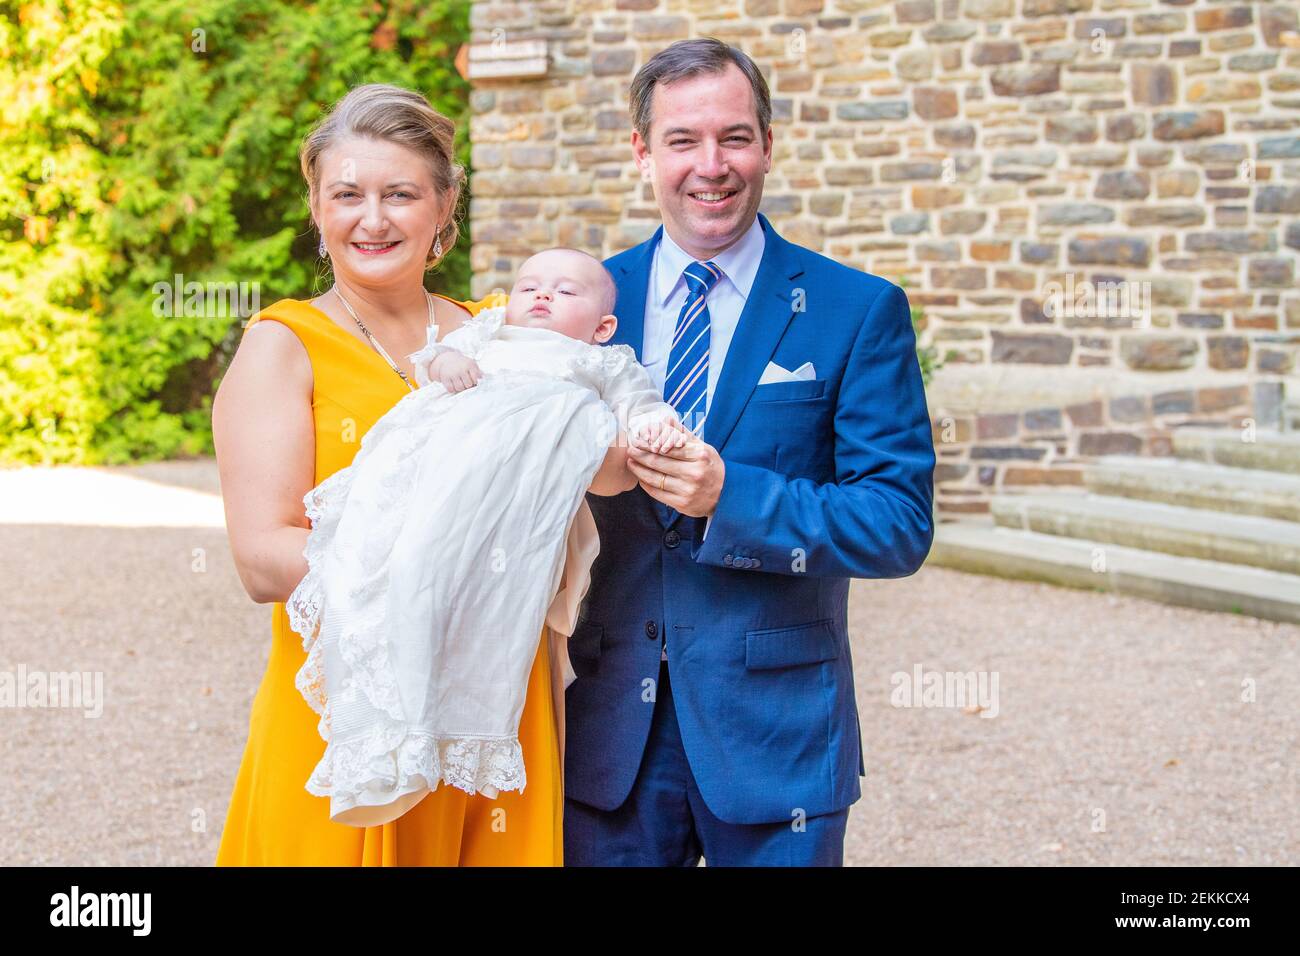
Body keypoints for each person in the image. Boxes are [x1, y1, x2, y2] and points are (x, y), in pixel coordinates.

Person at [212, 83, 627, 865]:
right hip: (353, 703)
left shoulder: (506, 332)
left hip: (496, 700)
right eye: (348, 195)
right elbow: (262, 560)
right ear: (317, 208)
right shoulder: (284, 344)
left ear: (443, 207)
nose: (373, 219)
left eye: (400, 194)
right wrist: (436, 565)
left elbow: (602, 470)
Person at [562, 38, 937, 866]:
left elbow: (898, 523)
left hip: (779, 736)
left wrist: (731, 496)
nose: (712, 165)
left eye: (734, 137)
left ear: (768, 142)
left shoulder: (855, 308)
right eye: (682, 141)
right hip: (605, 731)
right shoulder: (586, 303)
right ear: (642, 152)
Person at [286, 248, 684, 827]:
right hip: (451, 471)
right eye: (529, 285)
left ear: (602, 327)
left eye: (566, 292)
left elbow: (638, 404)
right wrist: (444, 363)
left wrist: (650, 424)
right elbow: (434, 361)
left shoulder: (602, 362)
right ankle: (387, 729)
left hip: (516, 490)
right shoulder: (488, 335)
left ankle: (434, 726)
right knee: (408, 566)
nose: (543, 295)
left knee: (487, 603)